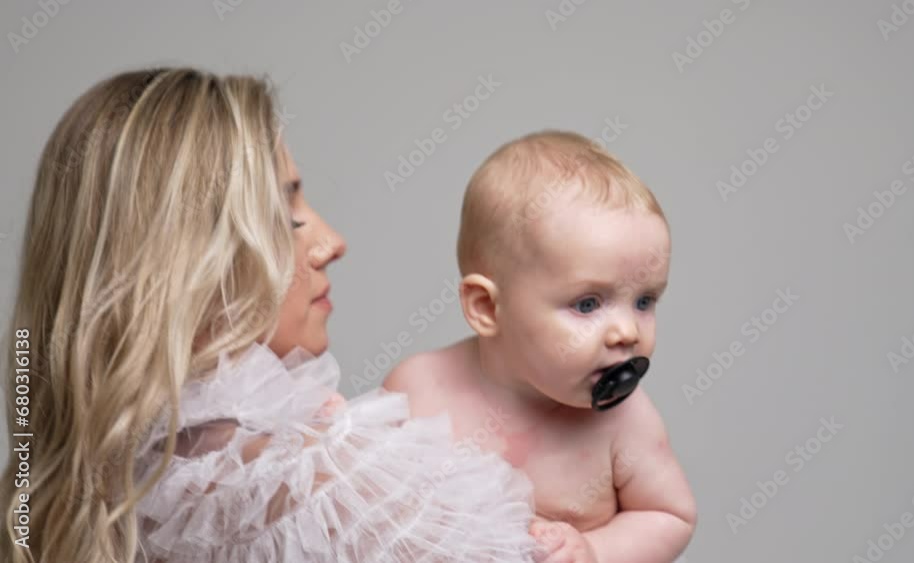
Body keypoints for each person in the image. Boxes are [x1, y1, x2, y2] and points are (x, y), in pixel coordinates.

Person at [1, 68, 543, 563]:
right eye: (285, 217)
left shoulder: (76, 499)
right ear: (184, 260)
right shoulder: (318, 484)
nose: (332, 242)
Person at [384, 131, 698, 562]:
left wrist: (593, 550)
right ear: (487, 308)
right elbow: (362, 506)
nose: (627, 330)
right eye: (588, 304)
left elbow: (669, 514)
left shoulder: (627, 422)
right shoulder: (418, 390)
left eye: (644, 300)